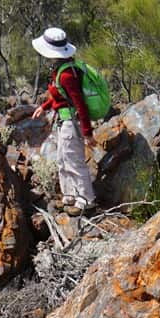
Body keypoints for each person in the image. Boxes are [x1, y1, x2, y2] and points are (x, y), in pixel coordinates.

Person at [31, 27, 95, 216]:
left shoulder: (67, 74)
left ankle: (86, 199)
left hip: (70, 123)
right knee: (62, 159)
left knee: (74, 161)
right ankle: (69, 196)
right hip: (62, 122)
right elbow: (61, 96)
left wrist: (87, 133)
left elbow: (79, 104)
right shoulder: (61, 71)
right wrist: (45, 106)